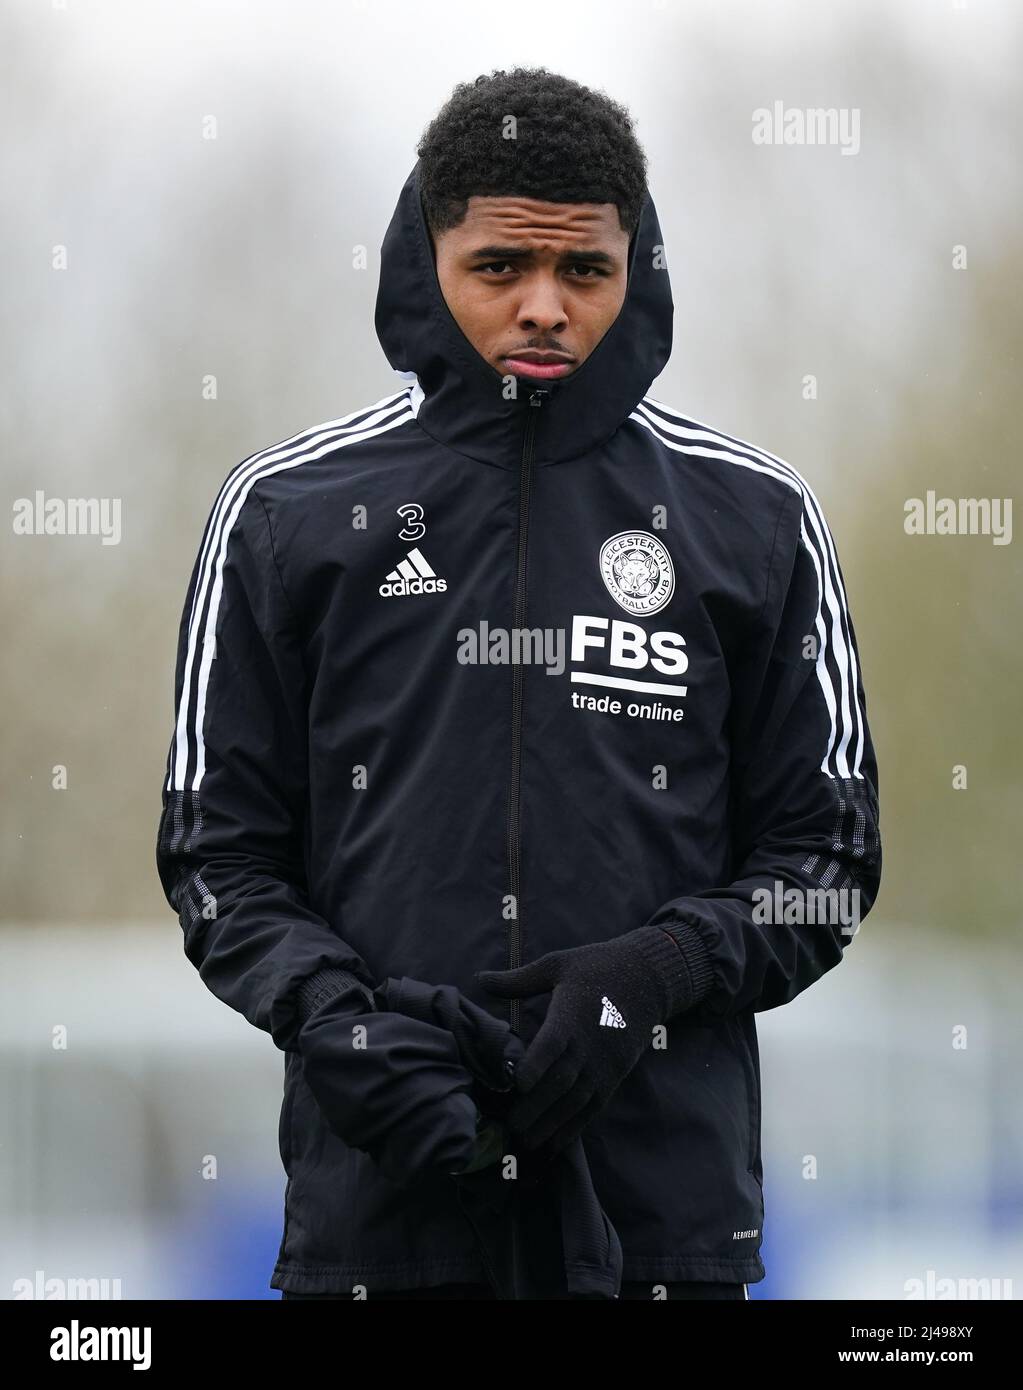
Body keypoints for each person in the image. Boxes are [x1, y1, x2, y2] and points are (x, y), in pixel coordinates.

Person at [156, 67, 881, 1301]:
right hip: (380, 1222)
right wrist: (339, 1023)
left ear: (633, 269)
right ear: (424, 255)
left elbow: (829, 862)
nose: (543, 308)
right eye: (500, 268)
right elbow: (217, 857)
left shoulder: (754, 521)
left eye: (583, 273)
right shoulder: (286, 516)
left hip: (662, 1230)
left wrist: (654, 974)